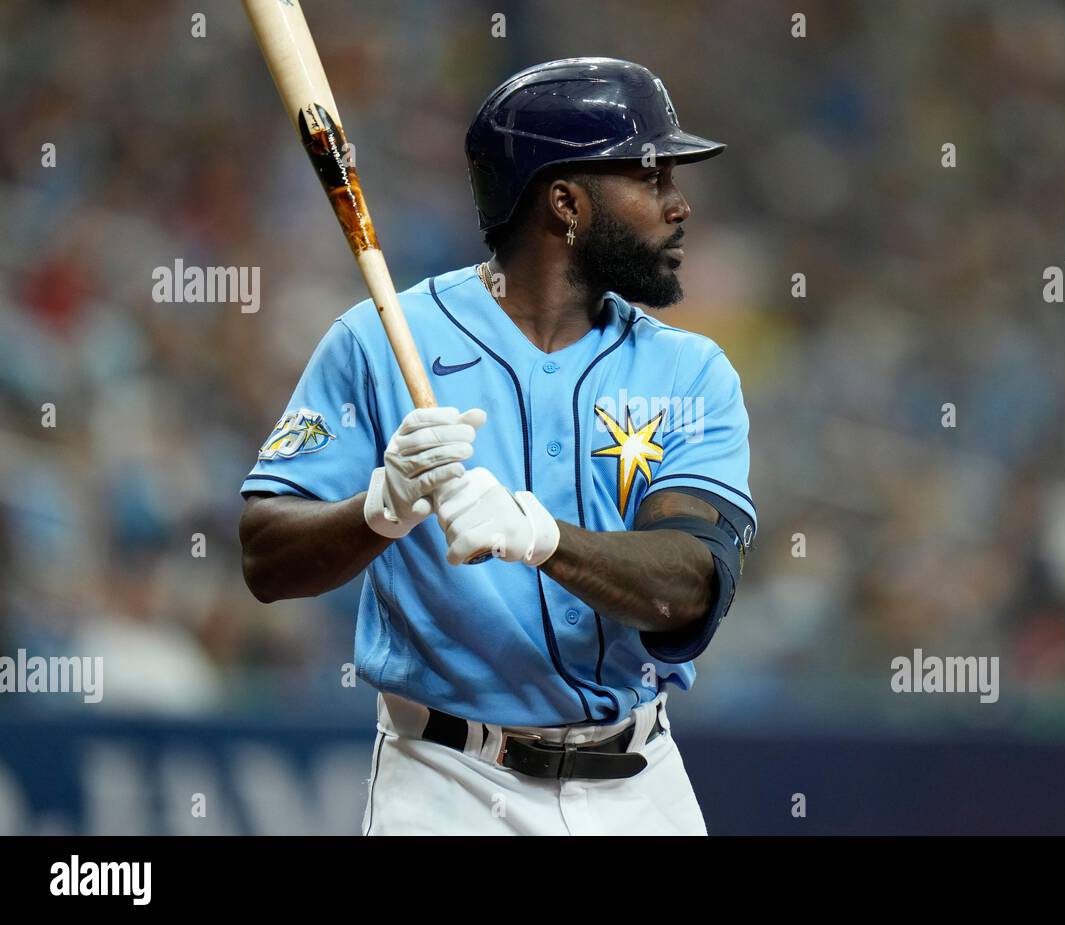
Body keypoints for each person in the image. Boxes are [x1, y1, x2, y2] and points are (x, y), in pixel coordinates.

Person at [238, 57, 755, 835]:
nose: (679, 205)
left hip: (641, 786)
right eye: (651, 178)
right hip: (448, 785)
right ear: (566, 202)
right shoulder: (379, 342)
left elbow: (688, 587)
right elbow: (265, 560)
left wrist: (540, 538)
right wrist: (377, 510)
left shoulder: (691, 371)